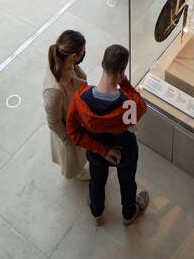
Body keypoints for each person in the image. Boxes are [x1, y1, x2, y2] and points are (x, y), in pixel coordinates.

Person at [66, 44, 150, 226]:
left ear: (102, 64)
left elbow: (73, 133)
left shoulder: (80, 98)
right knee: (127, 183)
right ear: (121, 72)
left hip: (96, 153)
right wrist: (125, 83)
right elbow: (142, 105)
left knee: (97, 181)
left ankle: (97, 211)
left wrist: (103, 150)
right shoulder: (129, 104)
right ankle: (129, 213)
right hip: (125, 152)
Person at [42, 30, 90, 181]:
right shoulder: (54, 91)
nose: (84, 55)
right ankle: (77, 171)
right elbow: (54, 122)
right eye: (82, 52)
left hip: (76, 118)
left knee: (80, 152)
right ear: (72, 56)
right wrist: (67, 139)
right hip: (68, 129)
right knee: (73, 157)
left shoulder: (65, 64)